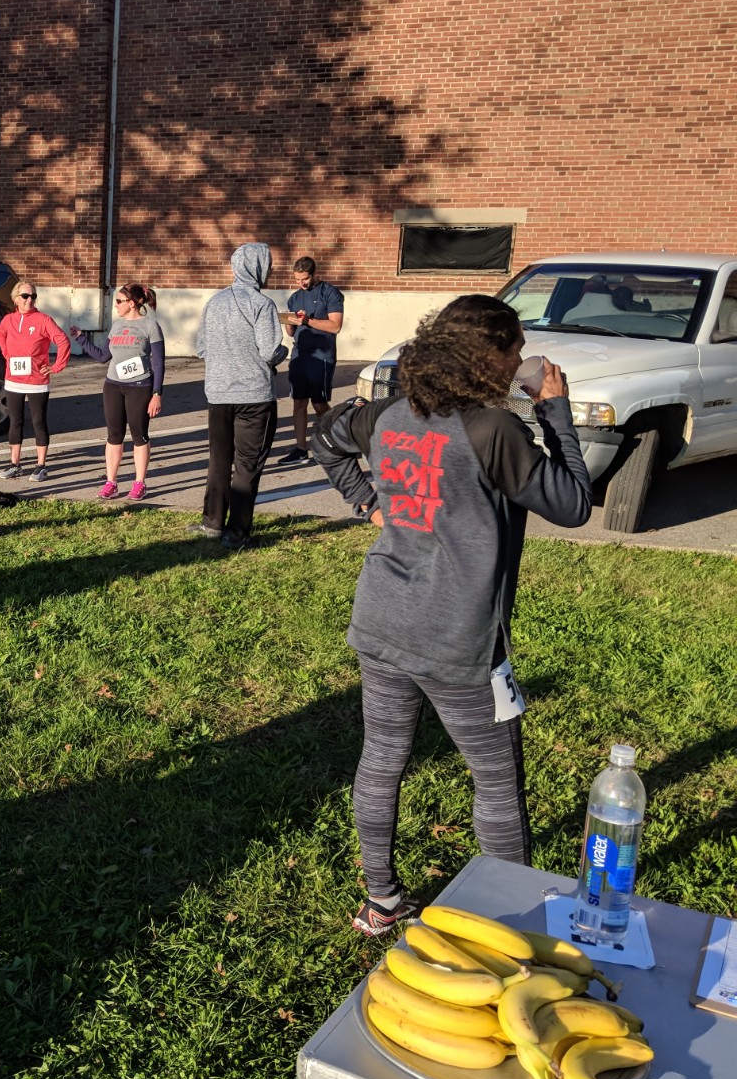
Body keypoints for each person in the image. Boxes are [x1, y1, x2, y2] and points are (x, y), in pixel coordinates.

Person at [311, 295, 592, 936]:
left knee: (382, 756)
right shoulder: (494, 432)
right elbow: (574, 503)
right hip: (462, 638)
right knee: (497, 778)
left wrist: (367, 501)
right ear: (487, 358)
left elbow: (324, 438)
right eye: (516, 352)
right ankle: (510, 921)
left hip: (381, 618)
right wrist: (555, 411)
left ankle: (381, 903)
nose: (523, 362)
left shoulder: (385, 415)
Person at [189, 243, 287, 545]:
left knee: (219, 460)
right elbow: (270, 350)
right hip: (255, 396)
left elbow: (201, 347)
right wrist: (282, 351)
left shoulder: (214, 302)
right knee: (247, 464)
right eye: (267, 265)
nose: (269, 271)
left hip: (218, 394)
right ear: (258, 268)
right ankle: (237, 531)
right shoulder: (262, 304)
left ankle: (212, 522)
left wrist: (225, 362)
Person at [71, 282, 164, 500]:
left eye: (119, 301)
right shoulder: (117, 325)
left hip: (140, 388)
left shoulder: (150, 325)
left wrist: (157, 394)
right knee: (114, 436)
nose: (116, 306)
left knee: (139, 435)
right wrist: (81, 338)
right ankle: (111, 482)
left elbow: (159, 363)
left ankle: (139, 483)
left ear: (132, 303)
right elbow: (103, 356)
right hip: (113, 386)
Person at [0, 280, 71, 482]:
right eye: (26, 296)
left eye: (33, 296)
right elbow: (0, 334)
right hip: (13, 381)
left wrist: (56, 366)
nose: (30, 300)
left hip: (37, 381)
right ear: (16, 299)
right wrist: (6, 353)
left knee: (38, 422)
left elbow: (63, 341)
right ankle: (15, 464)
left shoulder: (43, 319)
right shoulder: (9, 320)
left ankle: (41, 465)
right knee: (15, 422)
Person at [279, 255, 344, 466]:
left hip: (321, 355)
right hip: (299, 355)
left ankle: (335, 443)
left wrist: (308, 320)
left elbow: (335, 326)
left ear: (315, 274)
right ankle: (300, 449)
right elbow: (291, 332)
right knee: (299, 402)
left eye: (304, 279)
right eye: (297, 280)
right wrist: (289, 322)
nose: (301, 283)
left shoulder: (330, 293)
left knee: (319, 403)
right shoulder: (295, 297)